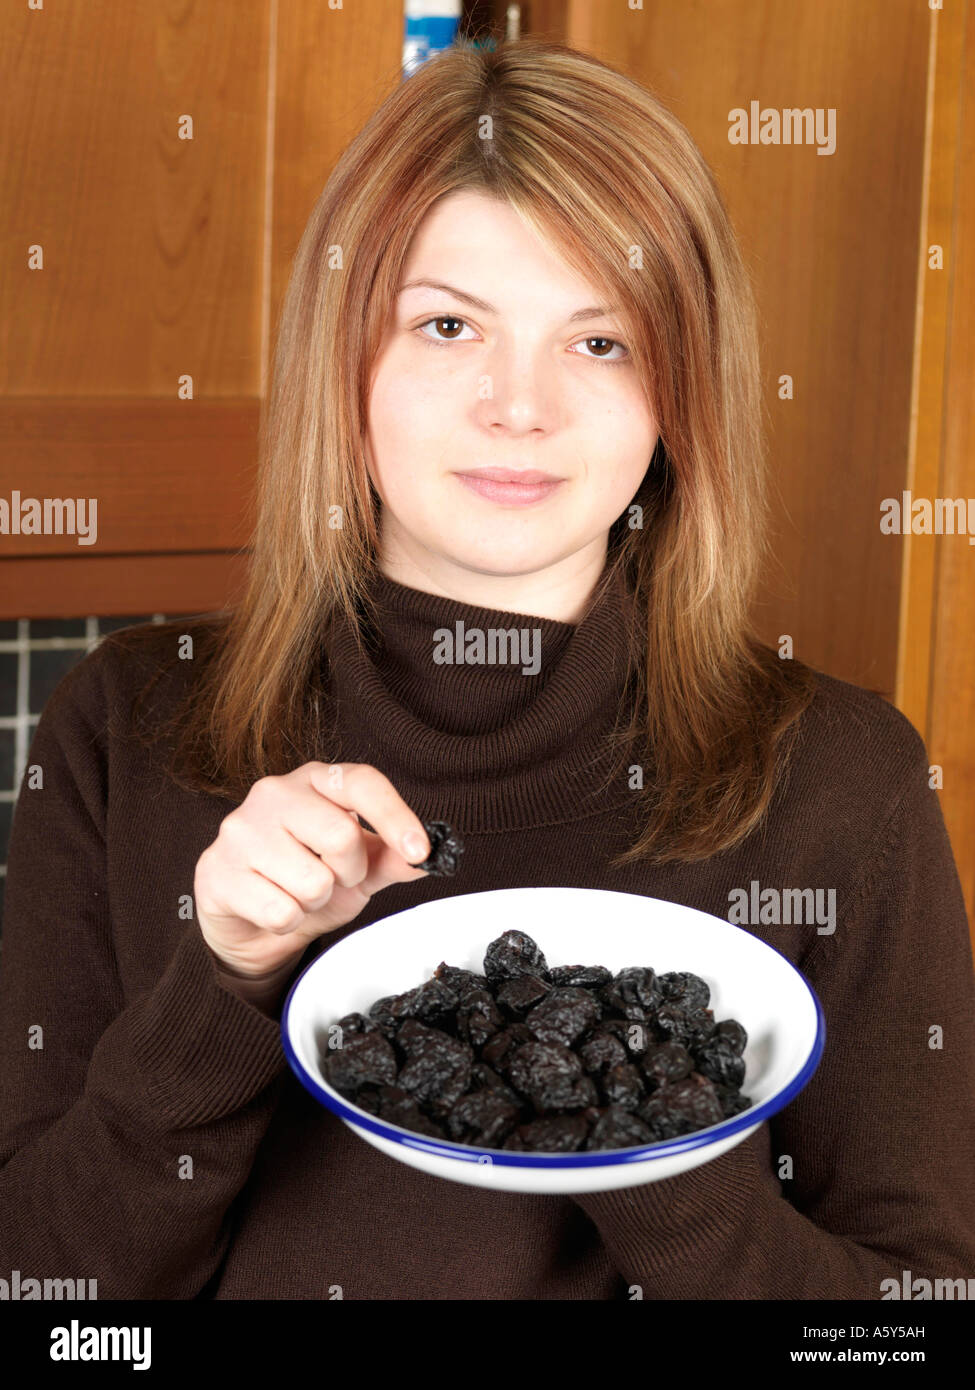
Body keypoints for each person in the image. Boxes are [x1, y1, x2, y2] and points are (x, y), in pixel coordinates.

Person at [2, 36, 973, 1301]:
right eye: (449, 324)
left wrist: (656, 1118)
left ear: (681, 392)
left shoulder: (843, 781)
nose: (520, 406)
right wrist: (226, 984)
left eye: (602, 340)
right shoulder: (124, 724)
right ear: (345, 356)